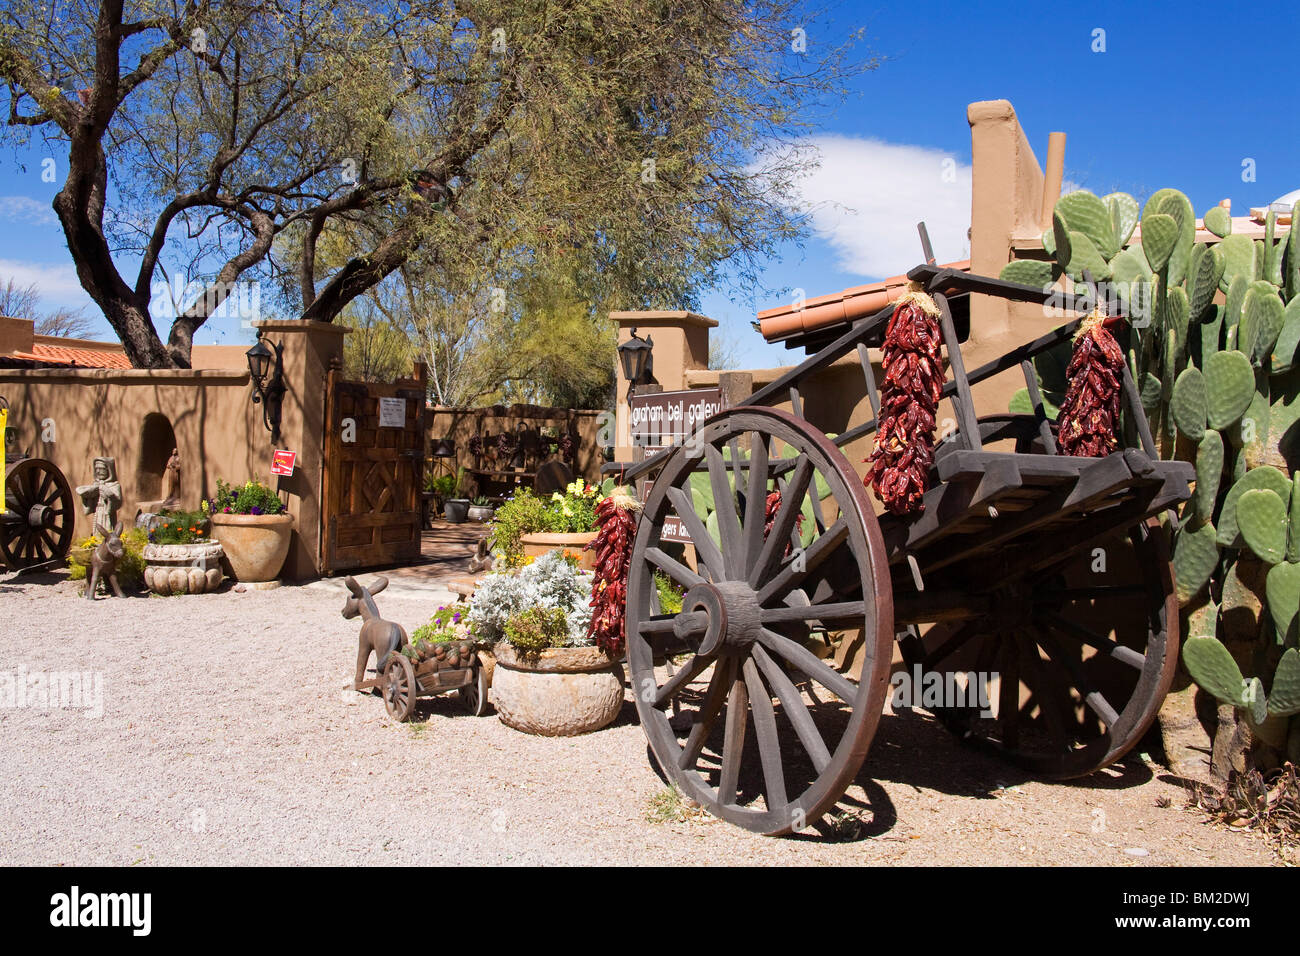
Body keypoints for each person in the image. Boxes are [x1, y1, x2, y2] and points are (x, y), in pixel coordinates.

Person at [76, 457, 122, 532]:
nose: (99, 471)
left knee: (108, 530)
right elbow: (89, 506)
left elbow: (118, 503)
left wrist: (109, 495)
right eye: (97, 469)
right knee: (97, 531)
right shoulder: (95, 485)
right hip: (98, 512)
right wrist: (87, 496)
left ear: (109, 470)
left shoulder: (114, 486)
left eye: (102, 469)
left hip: (108, 515)